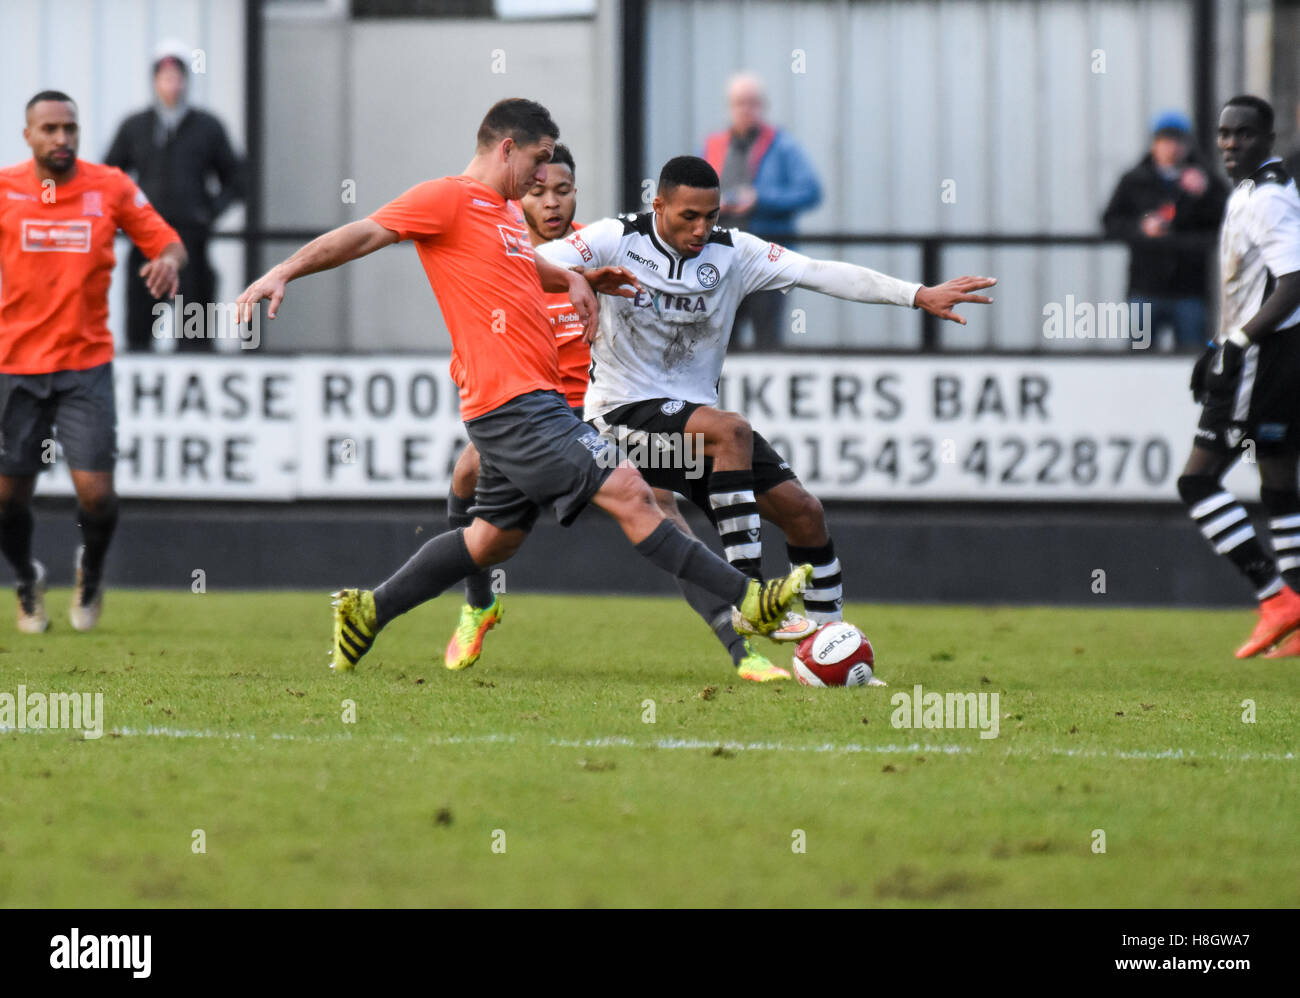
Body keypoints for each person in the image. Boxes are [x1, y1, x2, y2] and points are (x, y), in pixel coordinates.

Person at [234, 99, 812, 673]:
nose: (544, 178)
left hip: (527, 401)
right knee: (633, 493)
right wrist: (282, 271)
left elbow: (518, 267)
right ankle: (747, 599)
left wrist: (579, 278)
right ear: (506, 148)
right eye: (537, 162)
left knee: (490, 541)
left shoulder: (505, 214)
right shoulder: (446, 197)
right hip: (514, 404)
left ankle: (369, 610)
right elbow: (363, 234)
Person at [536, 155, 993, 647]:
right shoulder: (614, 238)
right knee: (730, 429)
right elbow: (527, 263)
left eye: (711, 216)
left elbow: (819, 272)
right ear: (658, 204)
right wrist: (575, 278)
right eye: (688, 216)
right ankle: (750, 597)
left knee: (804, 512)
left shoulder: (734, 252)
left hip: (691, 431)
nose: (701, 228)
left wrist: (916, 293)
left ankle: (828, 644)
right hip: (620, 421)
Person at [441, 145, 790, 681]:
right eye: (538, 192)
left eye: (563, 190)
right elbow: (475, 328)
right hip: (533, 409)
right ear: (517, 195)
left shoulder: (600, 251)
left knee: (662, 504)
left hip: (604, 409)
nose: (552, 203)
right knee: (467, 471)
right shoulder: (509, 264)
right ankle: (477, 603)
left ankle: (742, 648)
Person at [0, 91, 185, 633]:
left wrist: (168, 264)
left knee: (97, 497)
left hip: (85, 364)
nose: (62, 139)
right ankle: (27, 579)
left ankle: (92, 568)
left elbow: (169, 242)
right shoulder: (5, 190)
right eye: (50, 129)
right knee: (7, 499)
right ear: (28, 135)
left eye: (71, 128)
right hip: (14, 365)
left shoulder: (111, 187)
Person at [1176, 95, 1300, 659]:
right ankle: (1296, 604)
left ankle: (1274, 598)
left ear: (1268, 138)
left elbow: (1295, 282)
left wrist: (1239, 344)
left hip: (1263, 359)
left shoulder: (1269, 198)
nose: (1229, 144)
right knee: (1278, 483)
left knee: (1198, 482)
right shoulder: (1253, 190)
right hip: (1272, 355)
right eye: (1224, 134)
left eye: (1243, 134)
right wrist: (1218, 343)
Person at [105, 39, 244, 353]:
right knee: (139, 327)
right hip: (146, 244)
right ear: (155, 81)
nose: (172, 85)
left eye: (177, 77)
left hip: (190, 242)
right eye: (165, 77)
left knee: (194, 326)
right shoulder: (136, 127)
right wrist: (126, 216)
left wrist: (207, 213)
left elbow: (236, 179)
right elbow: (108, 177)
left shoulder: (207, 127)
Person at [701, 72, 821, 350]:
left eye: (752, 102)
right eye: (739, 102)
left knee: (767, 341)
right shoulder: (713, 146)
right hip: (721, 263)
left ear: (762, 105)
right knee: (719, 341)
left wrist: (760, 200)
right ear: (729, 106)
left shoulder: (783, 146)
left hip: (767, 262)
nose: (746, 109)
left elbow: (810, 192)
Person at [1102, 111, 1228, 351]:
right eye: (1166, 141)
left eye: (1178, 141)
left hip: (1190, 288)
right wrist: (1141, 227)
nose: (1172, 148)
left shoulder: (1206, 180)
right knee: (1140, 354)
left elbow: (1228, 219)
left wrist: (1205, 194)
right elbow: (1111, 222)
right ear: (1154, 145)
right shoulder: (1134, 180)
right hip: (1146, 286)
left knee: (1192, 355)